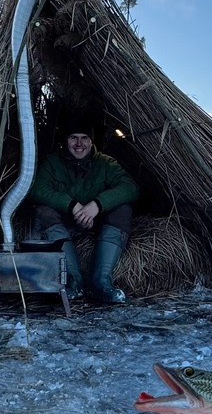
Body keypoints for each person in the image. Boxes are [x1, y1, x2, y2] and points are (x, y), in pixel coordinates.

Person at [28, 117, 138, 304]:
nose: (79, 144)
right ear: (65, 140)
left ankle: (101, 282)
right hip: (65, 223)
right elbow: (37, 189)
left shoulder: (106, 163)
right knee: (43, 211)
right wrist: (72, 205)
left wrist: (97, 204)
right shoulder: (53, 163)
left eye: (85, 138)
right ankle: (75, 281)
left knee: (123, 210)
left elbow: (130, 188)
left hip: (98, 223)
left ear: (92, 141)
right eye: (73, 137)